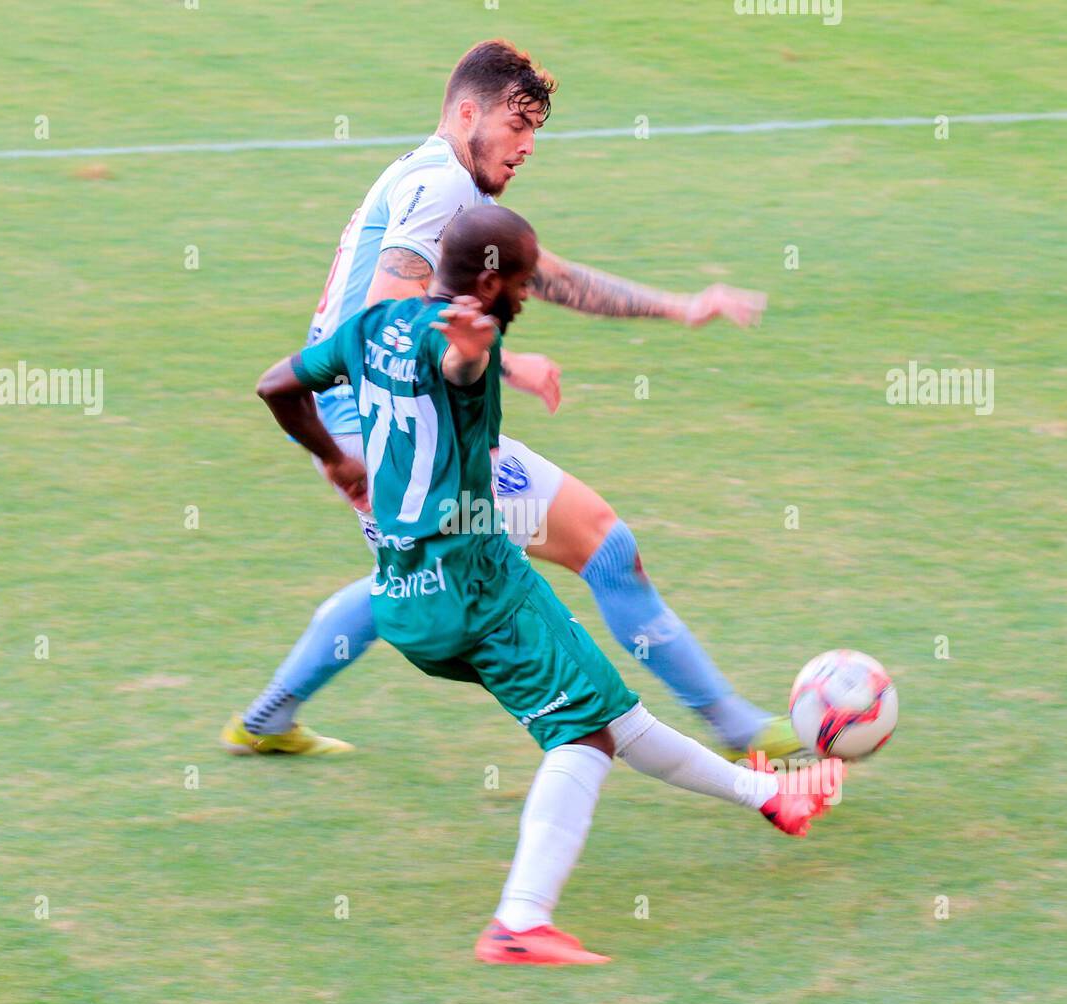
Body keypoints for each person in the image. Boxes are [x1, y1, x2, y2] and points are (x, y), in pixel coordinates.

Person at [254, 204, 842, 964]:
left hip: (403, 598)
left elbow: (275, 385)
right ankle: (521, 923)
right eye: (526, 281)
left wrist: (335, 459)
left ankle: (772, 797)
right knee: (586, 734)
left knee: (604, 710)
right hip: (480, 592)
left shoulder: (376, 326)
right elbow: (457, 366)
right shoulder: (472, 340)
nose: (532, 294)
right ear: (494, 279)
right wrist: (479, 359)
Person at [222, 39, 800, 764]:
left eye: (536, 131)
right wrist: (499, 359)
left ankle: (267, 717)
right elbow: (387, 314)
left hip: (371, 426)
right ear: (468, 111)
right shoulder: (440, 188)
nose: (528, 146)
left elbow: (549, 276)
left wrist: (683, 307)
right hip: (387, 427)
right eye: (517, 125)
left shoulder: (449, 186)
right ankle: (738, 733)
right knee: (602, 545)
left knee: (422, 570)